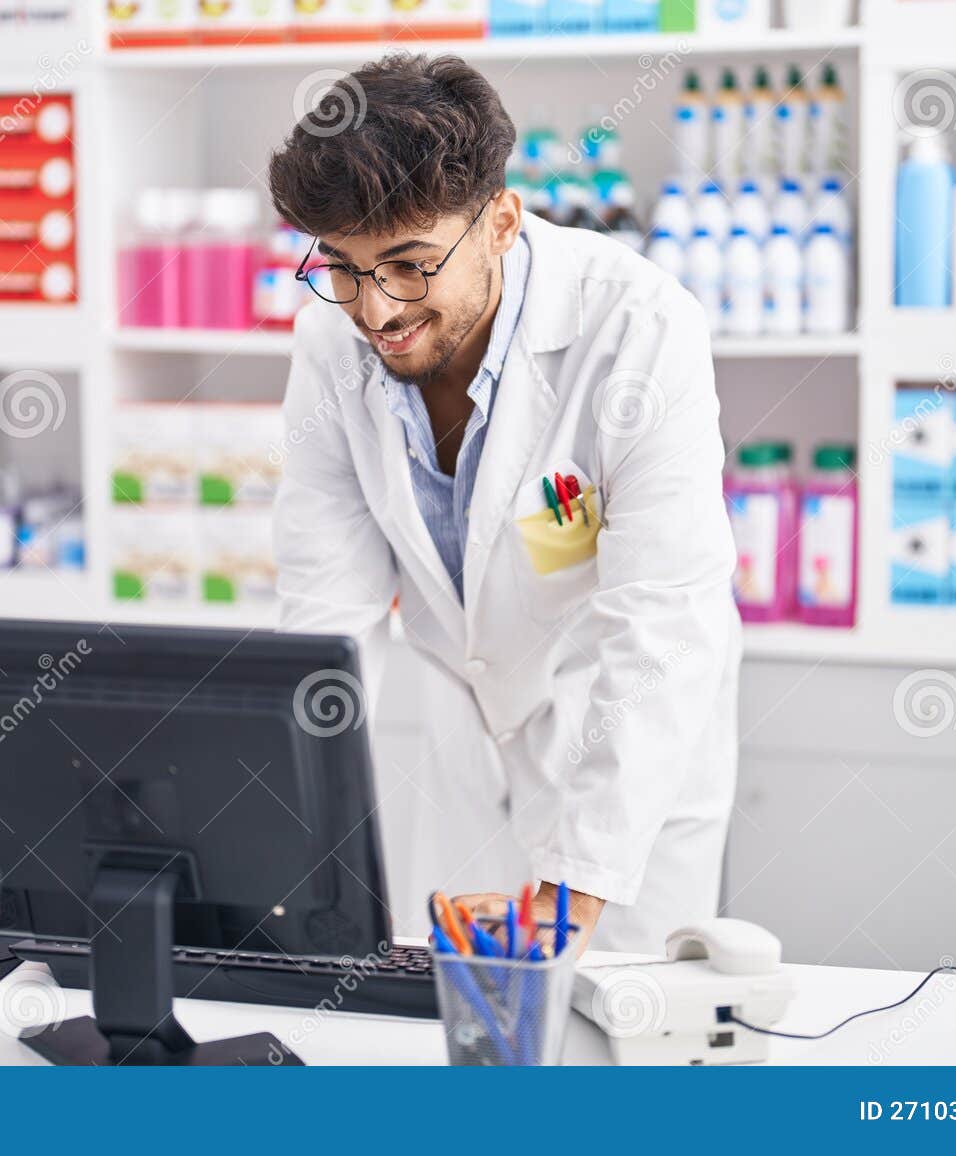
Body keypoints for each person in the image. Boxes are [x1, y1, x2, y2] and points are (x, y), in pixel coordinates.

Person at [267, 53, 740, 953]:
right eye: (345, 268)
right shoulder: (330, 338)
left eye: (409, 265)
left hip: (622, 732)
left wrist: (584, 878)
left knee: (620, 1030)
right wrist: (296, 843)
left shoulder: (638, 328)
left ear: (501, 224)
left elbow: (664, 618)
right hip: (461, 728)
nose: (376, 309)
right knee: (464, 1030)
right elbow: (327, 612)